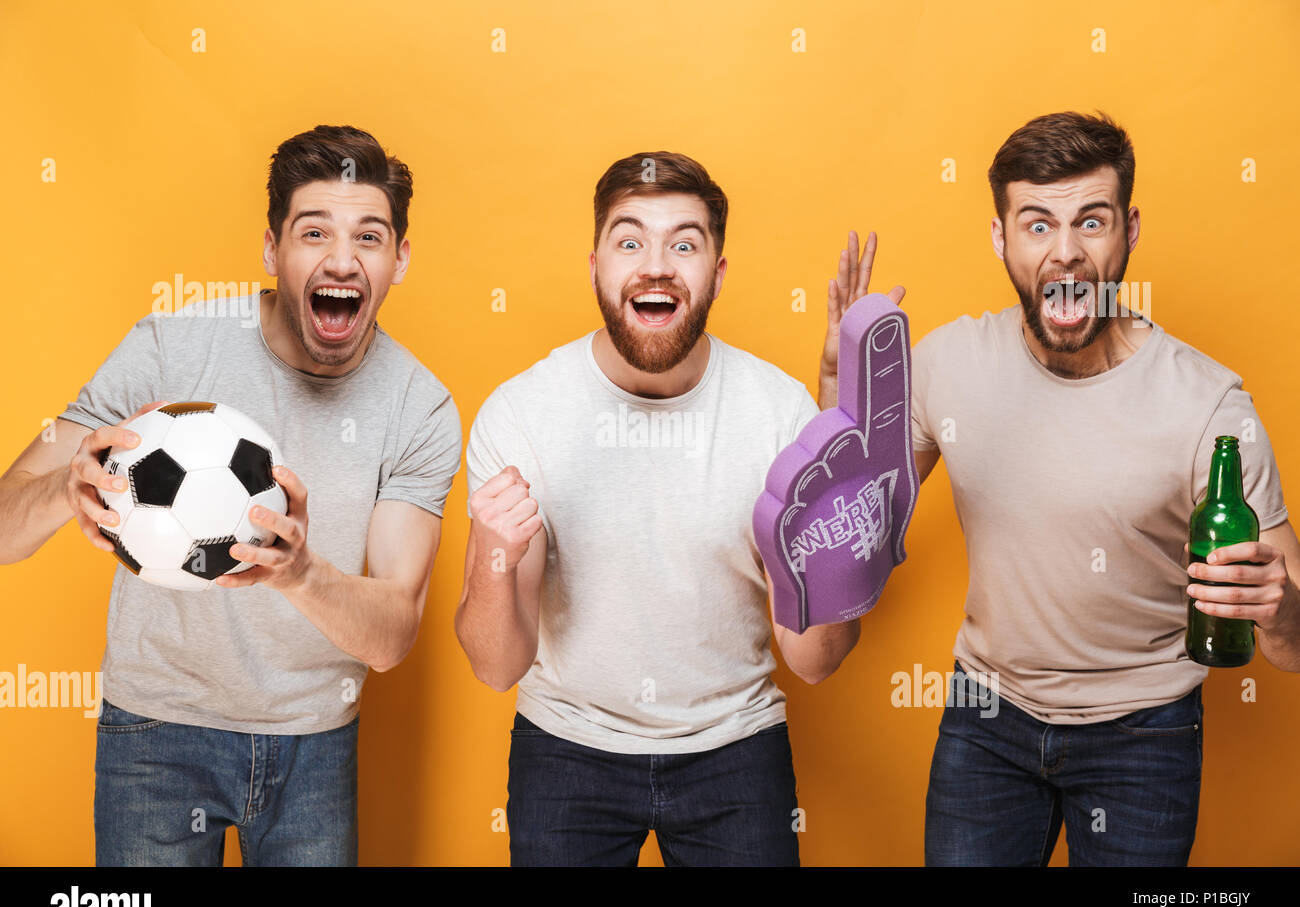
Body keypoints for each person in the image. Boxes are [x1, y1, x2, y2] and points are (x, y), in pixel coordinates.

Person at [0, 124, 461, 866]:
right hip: (154, 732)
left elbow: (393, 635)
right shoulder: (168, 347)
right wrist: (65, 486)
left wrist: (299, 572)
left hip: (313, 741)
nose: (342, 259)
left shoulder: (420, 406)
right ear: (274, 250)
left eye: (369, 237)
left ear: (399, 259)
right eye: (314, 232)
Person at [454, 151, 904, 866]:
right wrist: (491, 550)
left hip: (736, 751)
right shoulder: (523, 414)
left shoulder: (778, 411)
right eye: (630, 241)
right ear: (596, 264)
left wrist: (840, 497)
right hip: (568, 749)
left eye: (684, 244)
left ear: (717, 273)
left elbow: (815, 663)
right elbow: (496, 666)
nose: (656, 265)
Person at [905, 110, 1300, 865]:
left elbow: (1293, 646)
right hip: (985, 716)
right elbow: (852, 530)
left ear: (1129, 231)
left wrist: (1278, 609)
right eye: (1037, 225)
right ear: (1001, 239)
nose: (1066, 253)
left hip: (1143, 734)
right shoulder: (947, 364)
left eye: (1091, 221)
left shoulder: (1208, 406)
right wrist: (846, 394)